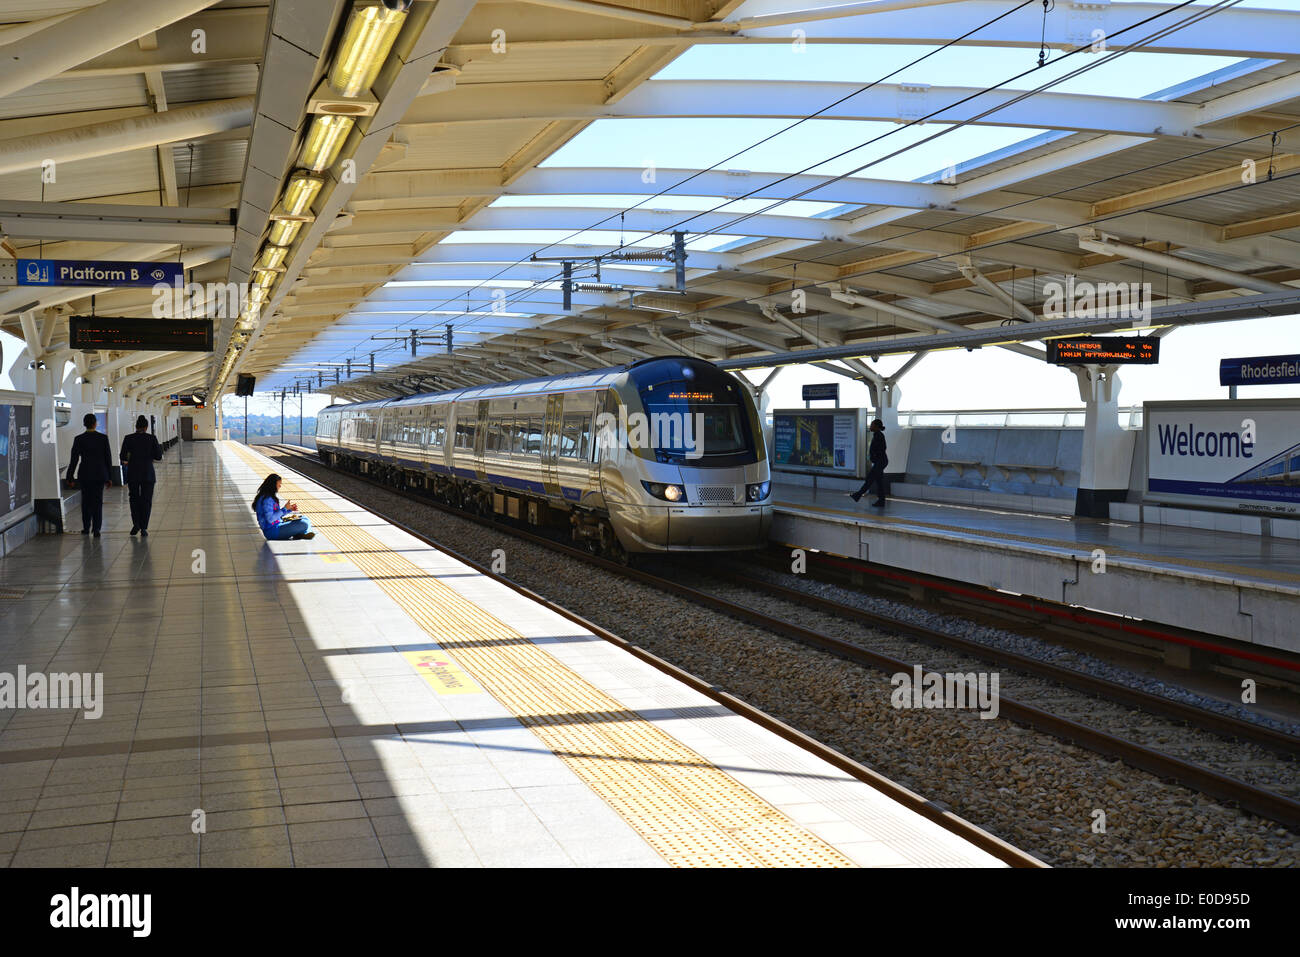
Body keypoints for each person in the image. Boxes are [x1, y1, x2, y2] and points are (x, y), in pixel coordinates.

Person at [66, 412, 113, 536]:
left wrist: (69, 477)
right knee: (97, 501)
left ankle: (86, 528)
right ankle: (96, 529)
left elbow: (74, 460)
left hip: (85, 474)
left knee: (86, 501)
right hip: (99, 474)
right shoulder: (103, 438)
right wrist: (109, 477)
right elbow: (108, 459)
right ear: (95, 424)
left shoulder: (79, 439)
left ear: (84, 424)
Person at [120, 415, 163, 537]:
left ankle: (136, 524)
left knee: (134, 499)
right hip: (148, 474)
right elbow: (158, 456)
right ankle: (144, 527)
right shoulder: (151, 438)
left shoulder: (128, 438)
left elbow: (122, 456)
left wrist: (130, 458)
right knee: (146, 500)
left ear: (136, 426)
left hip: (133, 473)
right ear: (146, 427)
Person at [252, 473, 314, 540]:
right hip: (272, 532)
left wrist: (289, 510)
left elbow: (277, 516)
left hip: (277, 526)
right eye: (279, 484)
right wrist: (284, 509)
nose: (280, 486)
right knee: (304, 523)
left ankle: (302, 533)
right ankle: (303, 533)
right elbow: (270, 519)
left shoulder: (268, 497)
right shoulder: (267, 500)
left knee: (305, 518)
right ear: (273, 485)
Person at [849, 418, 889, 507]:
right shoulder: (877, 435)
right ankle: (881, 500)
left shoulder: (879, 435)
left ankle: (858, 495)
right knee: (878, 481)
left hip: (880, 461)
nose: (870, 426)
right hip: (880, 461)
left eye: (872, 425)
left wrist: (875, 456)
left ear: (876, 426)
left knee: (870, 479)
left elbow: (882, 448)